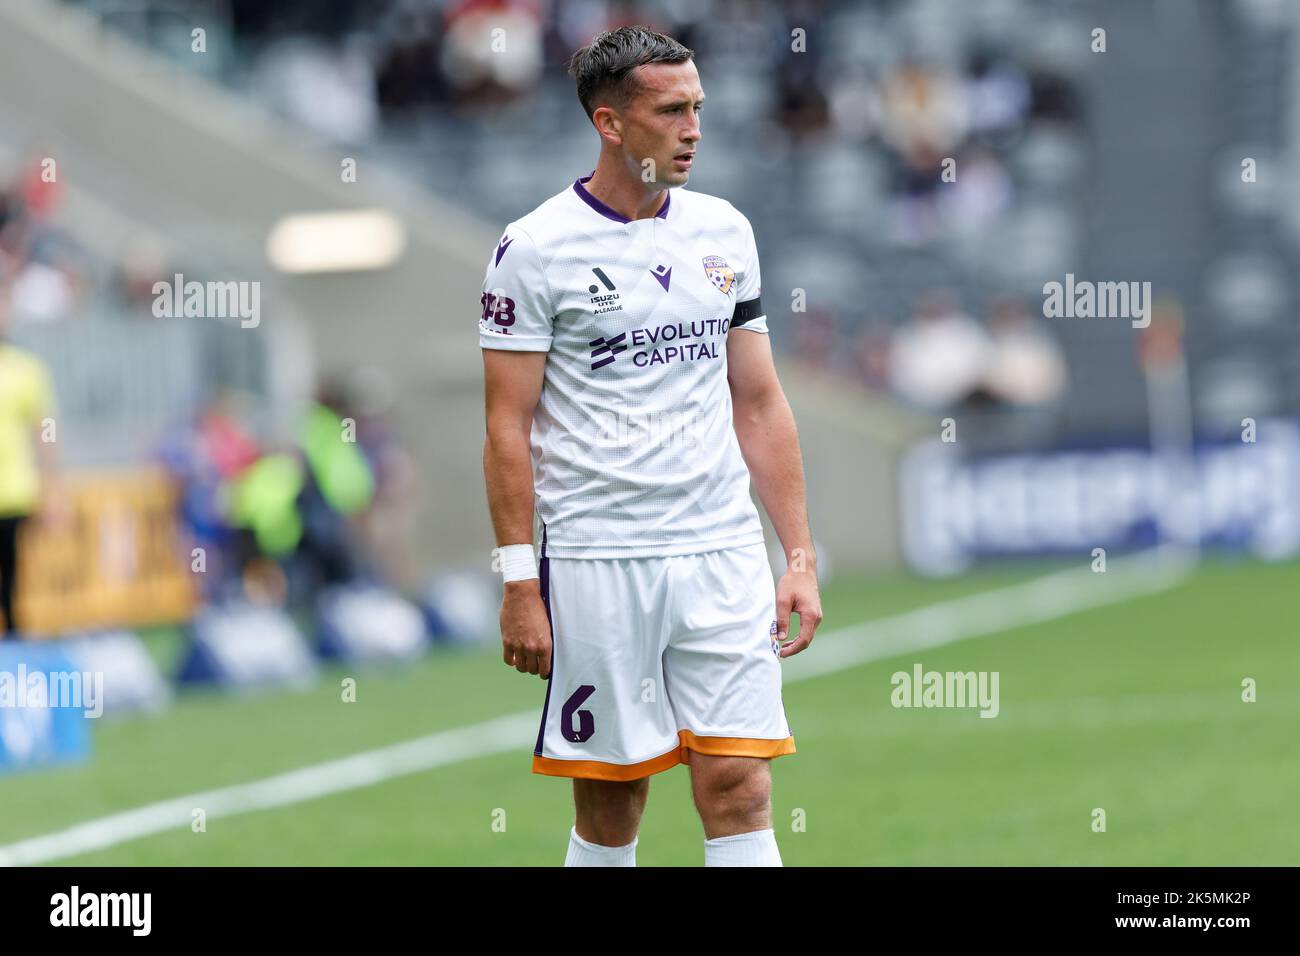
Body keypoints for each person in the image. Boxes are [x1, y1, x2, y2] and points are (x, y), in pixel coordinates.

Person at [479, 26, 822, 868]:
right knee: (612, 798)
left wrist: (798, 556)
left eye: (697, 107)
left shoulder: (725, 231)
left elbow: (759, 400)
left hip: (720, 548)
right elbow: (504, 426)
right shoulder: (535, 249)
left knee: (739, 785)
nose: (693, 129)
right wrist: (519, 583)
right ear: (609, 123)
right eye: (671, 112)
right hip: (599, 554)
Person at [0, 281, 65, 637]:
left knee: (12, 577)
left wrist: (53, 487)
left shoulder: (26, 370)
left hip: (13, 492)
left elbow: (46, 431)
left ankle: (14, 649)